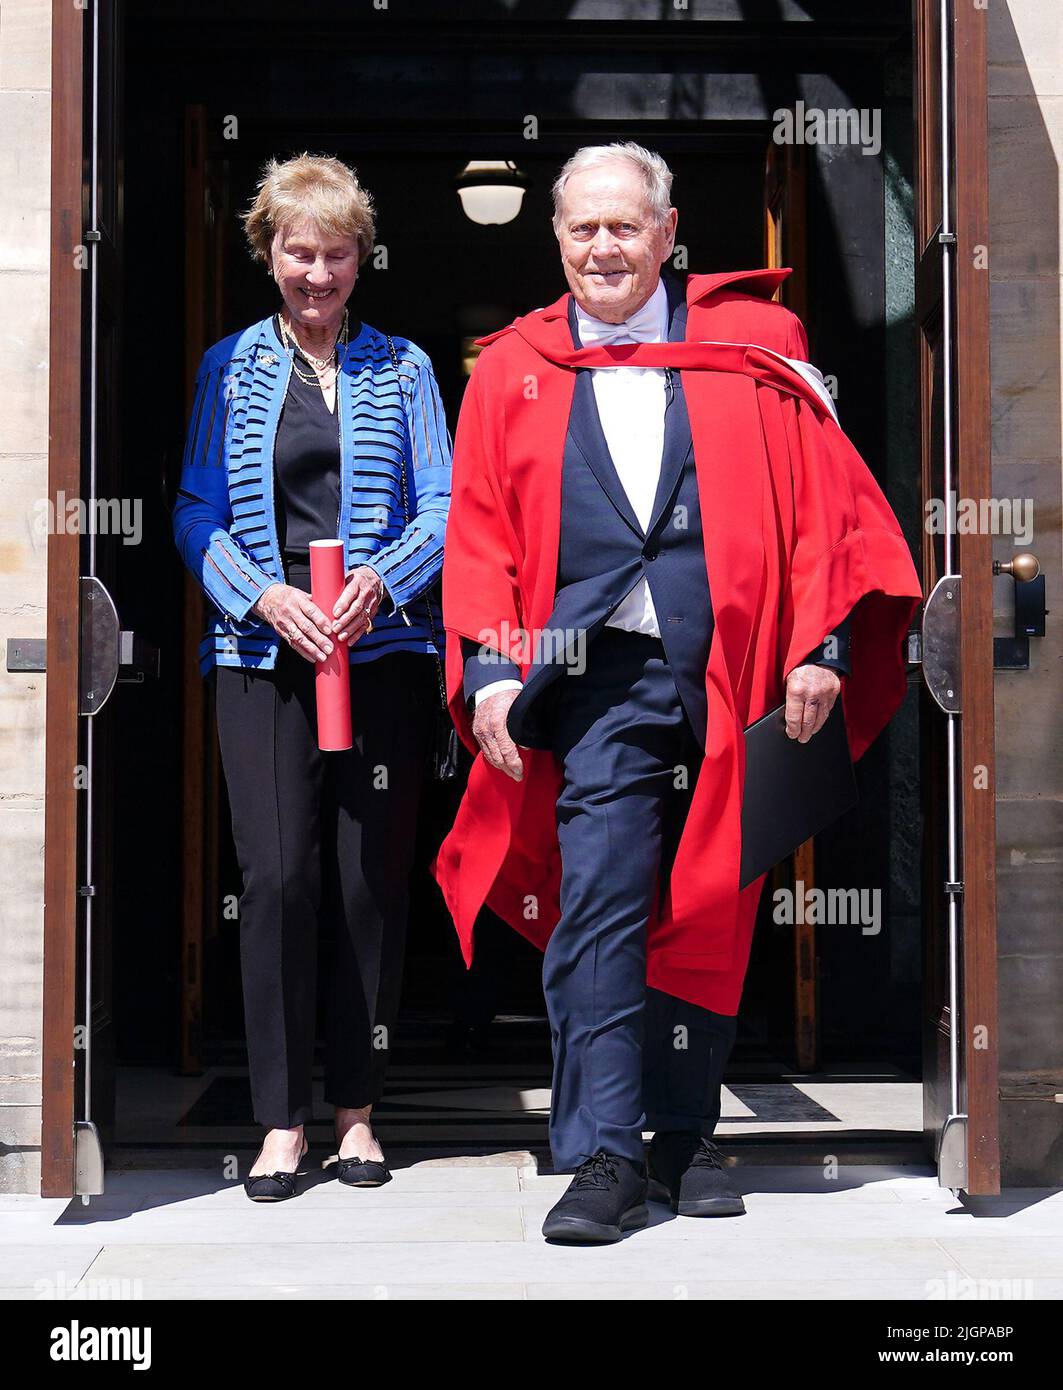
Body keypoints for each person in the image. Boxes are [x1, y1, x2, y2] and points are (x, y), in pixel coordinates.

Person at [434, 142, 921, 1243]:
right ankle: (604, 1154)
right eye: (580, 229)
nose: (601, 247)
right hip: (599, 677)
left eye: (622, 226)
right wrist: (495, 671)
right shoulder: (512, 367)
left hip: (739, 666)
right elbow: (479, 538)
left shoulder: (758, 346)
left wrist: (821, 647)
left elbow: (823, 511)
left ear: (665, 232)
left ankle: (686, 1130)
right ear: (556, 239)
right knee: (600, 901)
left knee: (713, 901)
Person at [173, 154, 451, 1201]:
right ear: (268, 252)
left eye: (336, 253)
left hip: (378, 654)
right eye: (300, 251)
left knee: (366, 886)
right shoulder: (227, 369)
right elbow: (191, 511)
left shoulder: (408, 367)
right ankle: (281, 1121)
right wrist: (262, 595)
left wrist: (380, 580)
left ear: (360, 257)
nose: (318, 272)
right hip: (262, 657)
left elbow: (446, 502)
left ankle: (357, 1116)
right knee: (279, 881)